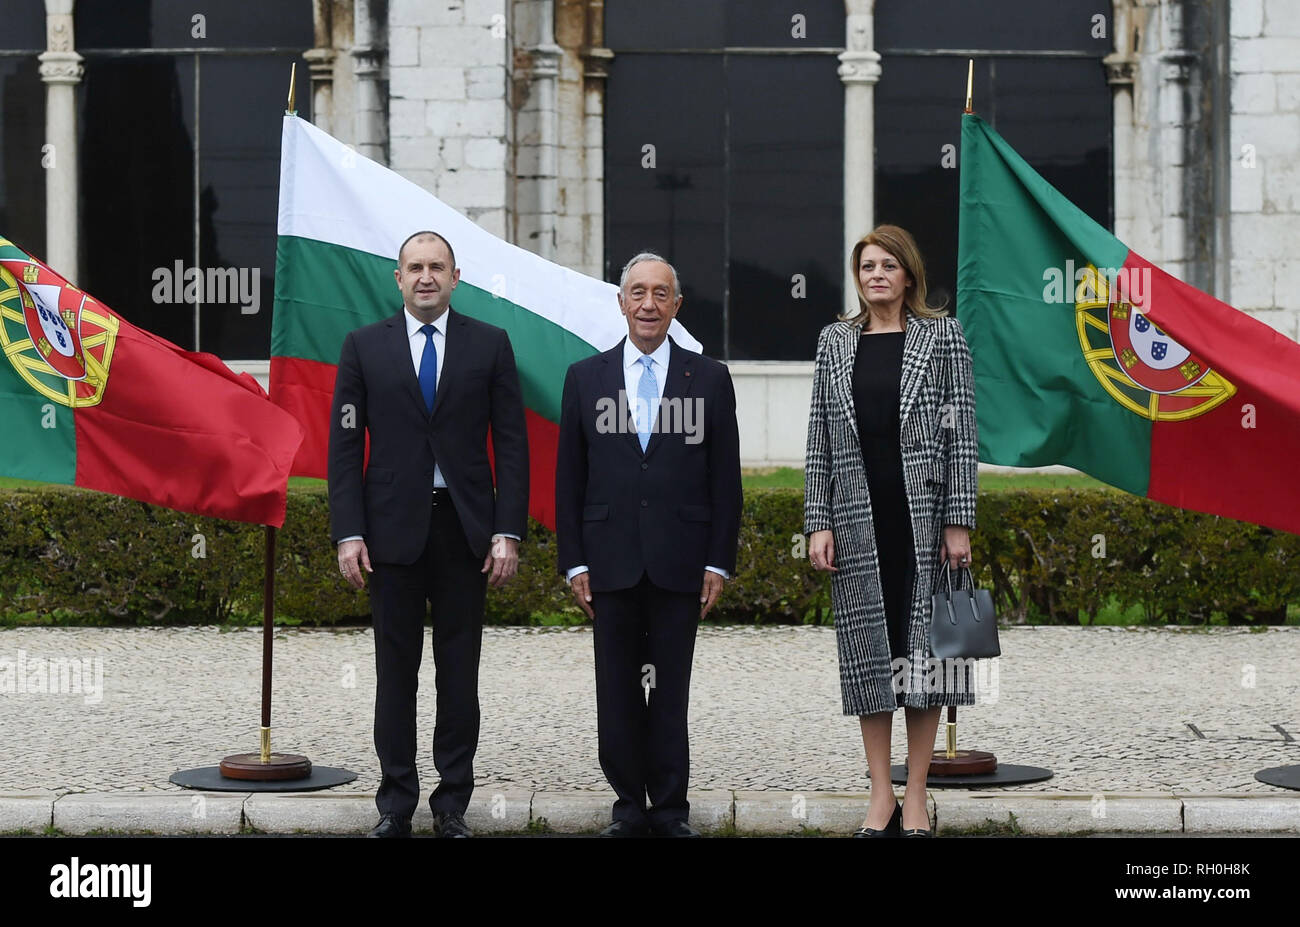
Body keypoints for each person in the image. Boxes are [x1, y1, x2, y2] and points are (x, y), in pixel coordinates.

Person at [328, 230, 529, 838]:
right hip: (389, 535)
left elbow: (513, 446)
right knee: (396, 674)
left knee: (458, 672)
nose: (425, 277)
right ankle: (395, 805)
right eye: (414, 267)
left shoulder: (490, 346)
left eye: (436, 267)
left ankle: (451, 805)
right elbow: (343, 447)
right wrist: (349, 532)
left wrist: (507, 531)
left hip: (466, 534)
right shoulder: (363, 347)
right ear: (398, 278)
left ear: (455, 276)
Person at [555, 252, 742, 837]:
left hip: (679, 562)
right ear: (620, 302)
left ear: (676, 306)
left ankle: (670, 808)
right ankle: (628, 807)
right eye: (637, 293)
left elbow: (725, 479)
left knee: (669, 691)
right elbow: (569, 479)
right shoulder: (585, 378)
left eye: (661, 294)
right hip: (608, 563)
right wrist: (574, 560)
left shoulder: (708, 378)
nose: (648, 304)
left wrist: (717, 561)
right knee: (616, 691)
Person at [803, 224, 978, 838]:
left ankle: (918, 794)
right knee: (869, 660)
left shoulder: (944, 338)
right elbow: (820, 438)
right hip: (856, 518)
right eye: (867, 266)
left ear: (908, 276)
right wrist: (817, 521)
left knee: (926, 662)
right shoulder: (833, 342)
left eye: (888, 266)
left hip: (925, 519)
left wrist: (959, 520)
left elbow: (962, 433)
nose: (876, 275)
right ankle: (881, 793)